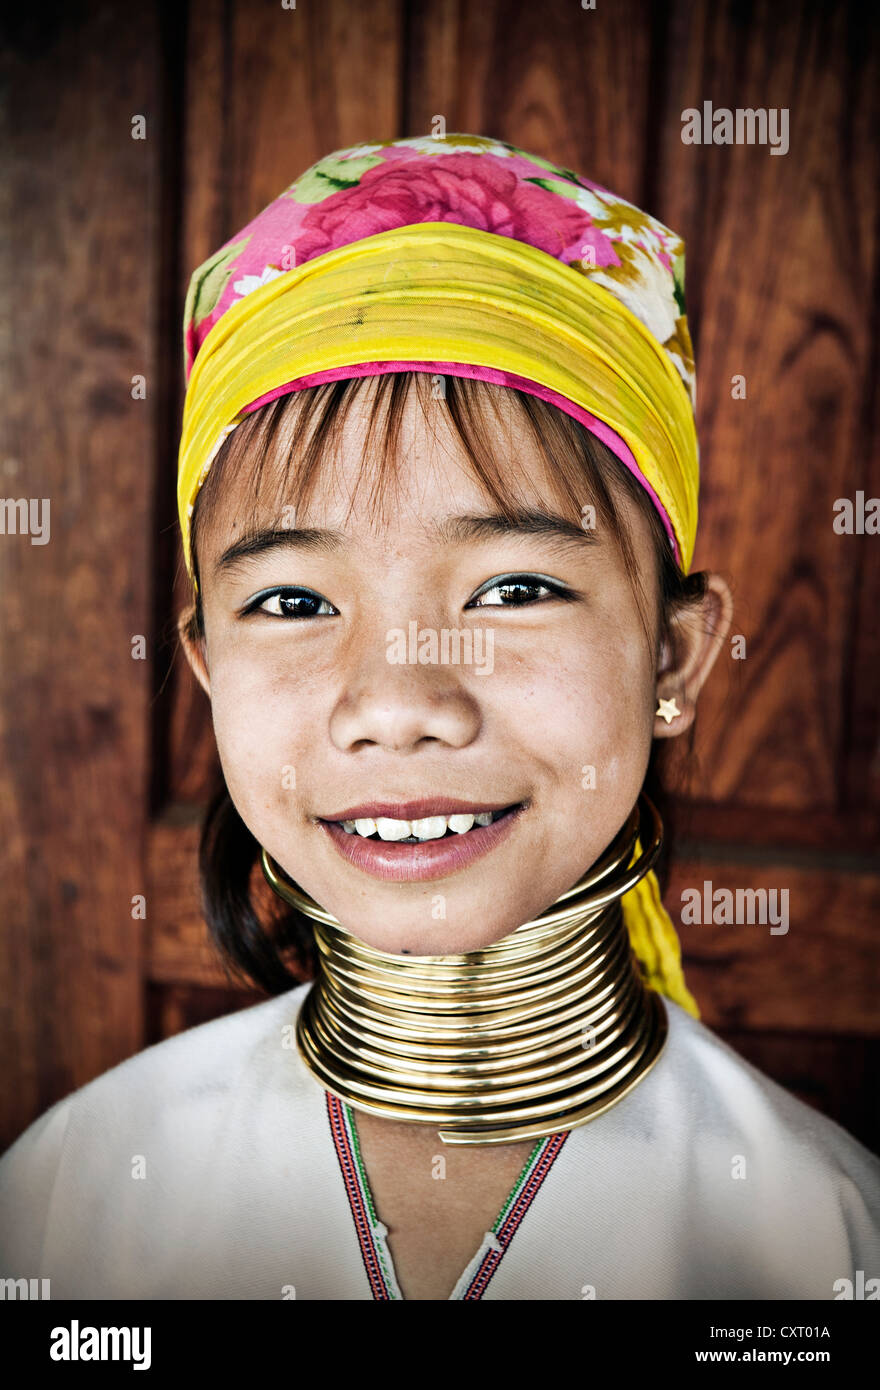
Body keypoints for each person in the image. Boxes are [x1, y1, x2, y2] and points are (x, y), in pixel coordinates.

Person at [1, 134, 878, 1301]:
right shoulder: (73, 1198)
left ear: (673, 653)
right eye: (294, 600)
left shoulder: (825, 1240)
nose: (398, 704)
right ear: (208, 673)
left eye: (514, 589)